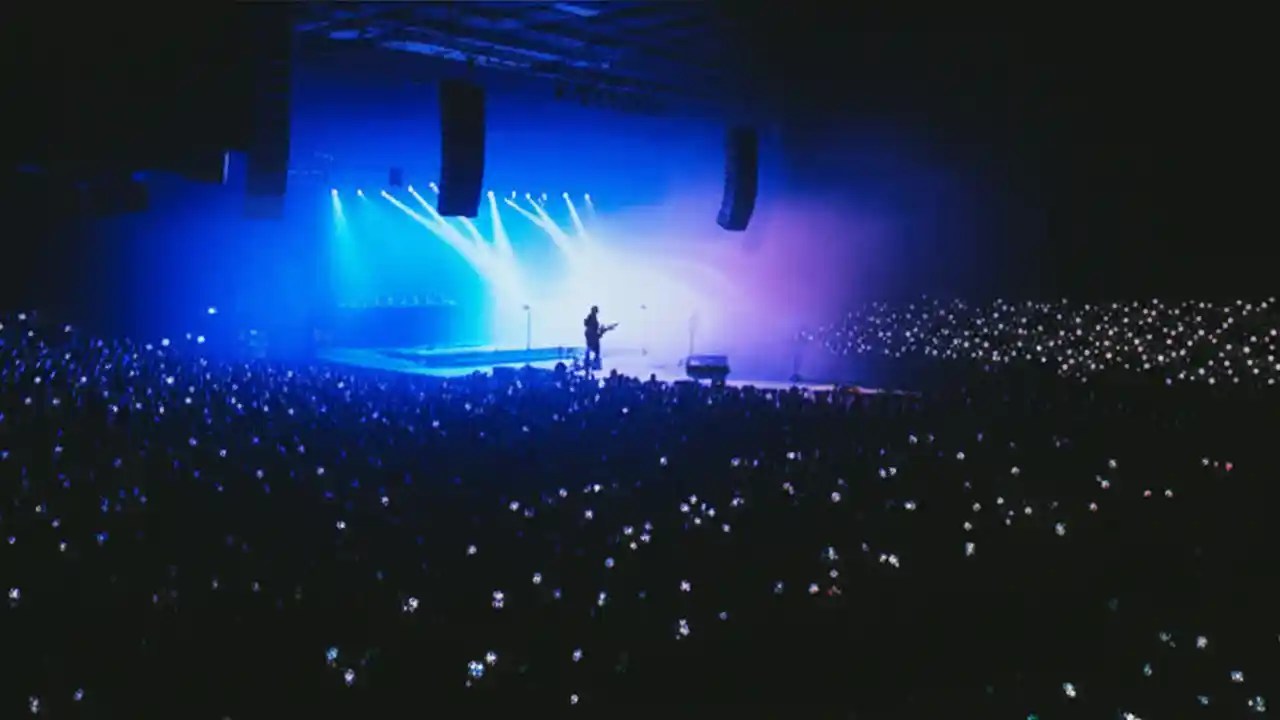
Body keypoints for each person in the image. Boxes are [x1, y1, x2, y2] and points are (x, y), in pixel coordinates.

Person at [583, 305, 615, 371]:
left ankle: (590, 364)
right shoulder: (592, 319)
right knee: (594, 352)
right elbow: (594, 332)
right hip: (592, 338)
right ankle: (592, 365)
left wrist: (602, 331)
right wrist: (602, 331)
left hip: (591, 338)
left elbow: (595, 332)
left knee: (591, 352)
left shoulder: (591, 319)